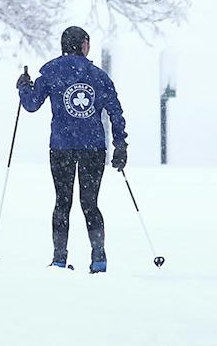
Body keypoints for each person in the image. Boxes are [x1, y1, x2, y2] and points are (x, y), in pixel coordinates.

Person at [16, 26, 128, 272]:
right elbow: (115, 112)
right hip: (93, 149)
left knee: (62, 202)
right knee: (90, 203)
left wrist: (24, 86)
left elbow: (32, 104)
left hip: (61, 148)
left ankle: (59, 258)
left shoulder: (51, 72)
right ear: (84, 44)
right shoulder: (98, 76)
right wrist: (120, 144)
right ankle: (98, 258)